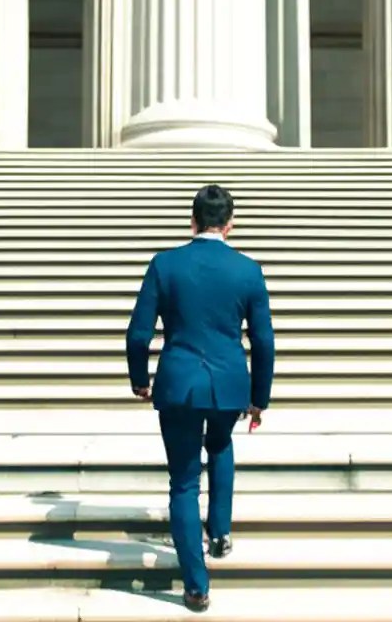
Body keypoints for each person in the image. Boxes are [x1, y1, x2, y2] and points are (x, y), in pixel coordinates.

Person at [125, 184, 275, 612]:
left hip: (179, 382)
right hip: (229, 383)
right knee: (222, 444)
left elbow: (138, 332)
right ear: (230, 223)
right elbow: (263, 340)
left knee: (184, 481)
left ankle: (196, 585)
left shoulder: (164, 264)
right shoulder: (248, 270)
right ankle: (221, 532)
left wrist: (140, 378)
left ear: (192, 220)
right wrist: (259, 396)